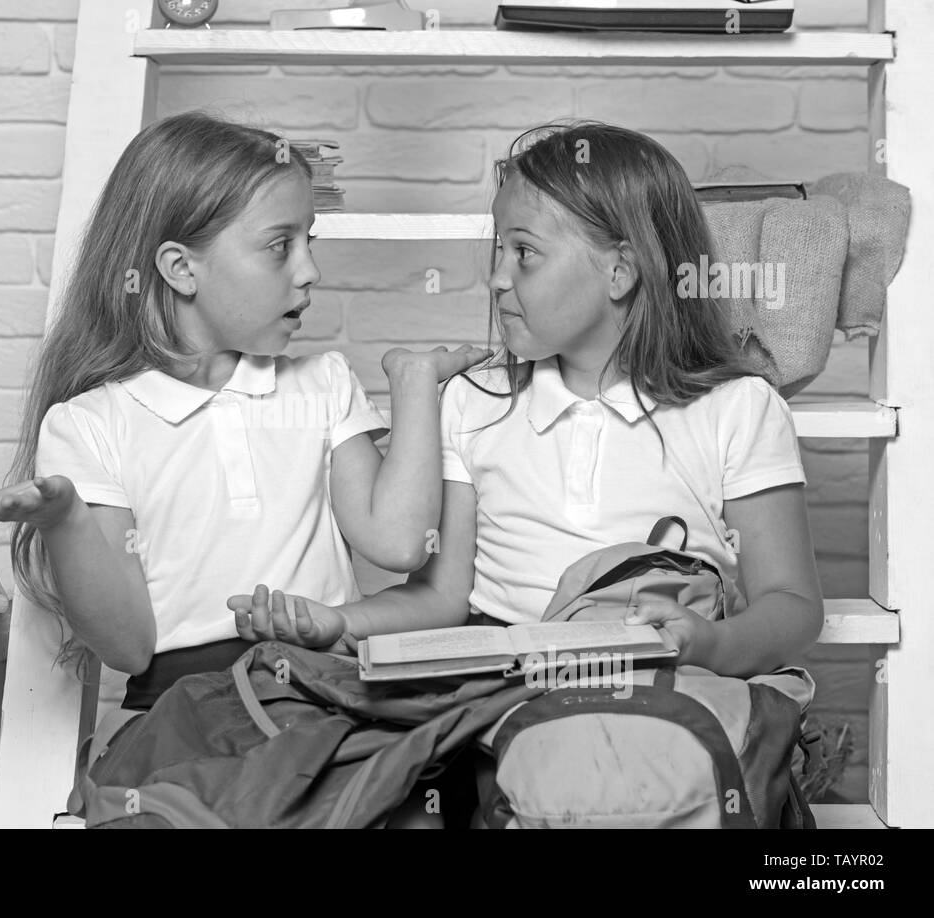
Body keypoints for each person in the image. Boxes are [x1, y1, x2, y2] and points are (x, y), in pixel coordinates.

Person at [231, 121, 825, 824]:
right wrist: (337, 623)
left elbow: (792, 603)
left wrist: (713, 642)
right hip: (510, 710)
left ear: (620, 271)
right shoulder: (474, 403)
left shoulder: (737, 408)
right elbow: (442, 596)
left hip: (661, 699)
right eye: (499, 250)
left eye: (524, 253)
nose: (496, 277)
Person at [0, 111, 490, 712]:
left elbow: (401, 544)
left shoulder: (324, 385)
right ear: (182, 269)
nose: (310, 270)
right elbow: (127, 648)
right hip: (182, 714)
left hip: (327, 697)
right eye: (280, 246)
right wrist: (66, 521)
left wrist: (416, 385)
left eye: (309, 241)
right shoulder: (89, 425)